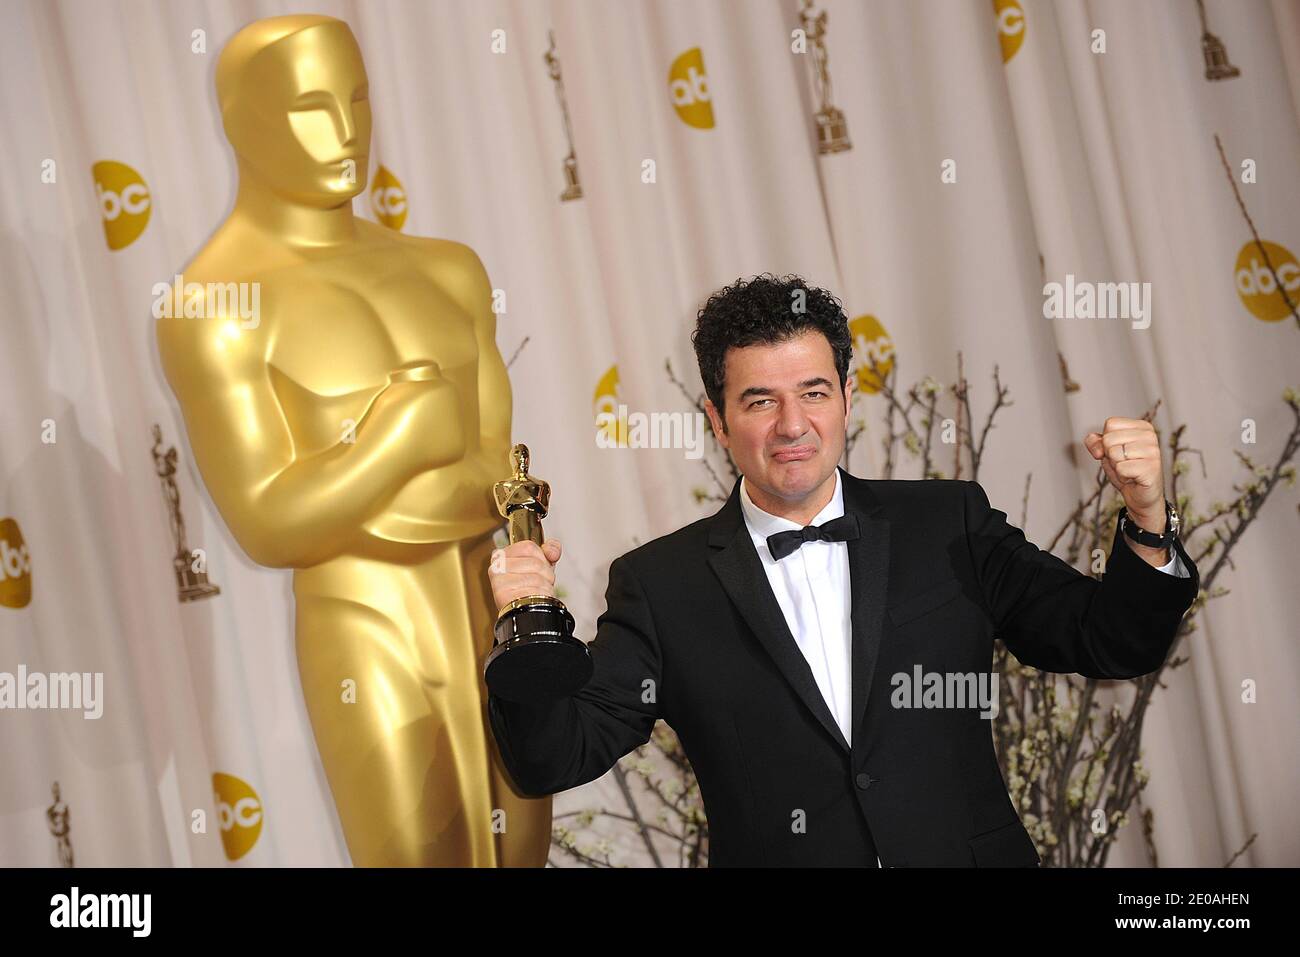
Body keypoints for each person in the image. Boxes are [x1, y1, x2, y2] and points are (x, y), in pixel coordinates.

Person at [486, 274, 1198, 867]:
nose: (792, 424)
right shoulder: (661, 584)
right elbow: (552, 758)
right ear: (716, 417)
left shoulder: (948, 523)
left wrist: (1145, 513)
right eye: (760, 400)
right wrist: (525, 632)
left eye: (814, 392)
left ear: (848, 397)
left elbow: (1111, 642)